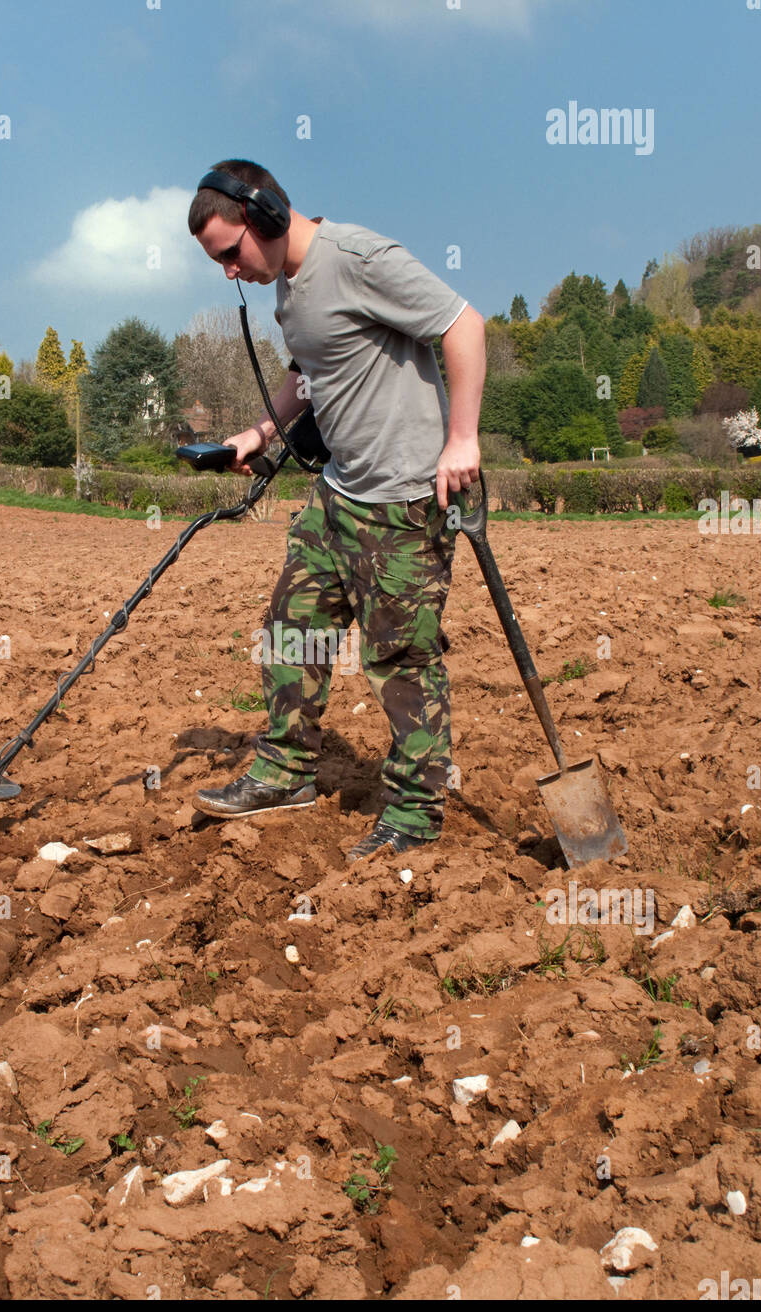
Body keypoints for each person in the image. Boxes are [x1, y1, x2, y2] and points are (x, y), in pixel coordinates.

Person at [187, 159, 486, 861]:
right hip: (339, 494)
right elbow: (309, 372)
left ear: (262, 217)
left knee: (401, 658)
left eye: (230, 253)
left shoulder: (356, 258)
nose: (229, 271)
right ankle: (285, 770)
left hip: (405, 501)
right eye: (217, 262)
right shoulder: (287, 285)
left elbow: (463, 325)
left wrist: (462, 439)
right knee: (292, 628)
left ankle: (413, 814)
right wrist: (258, 432)